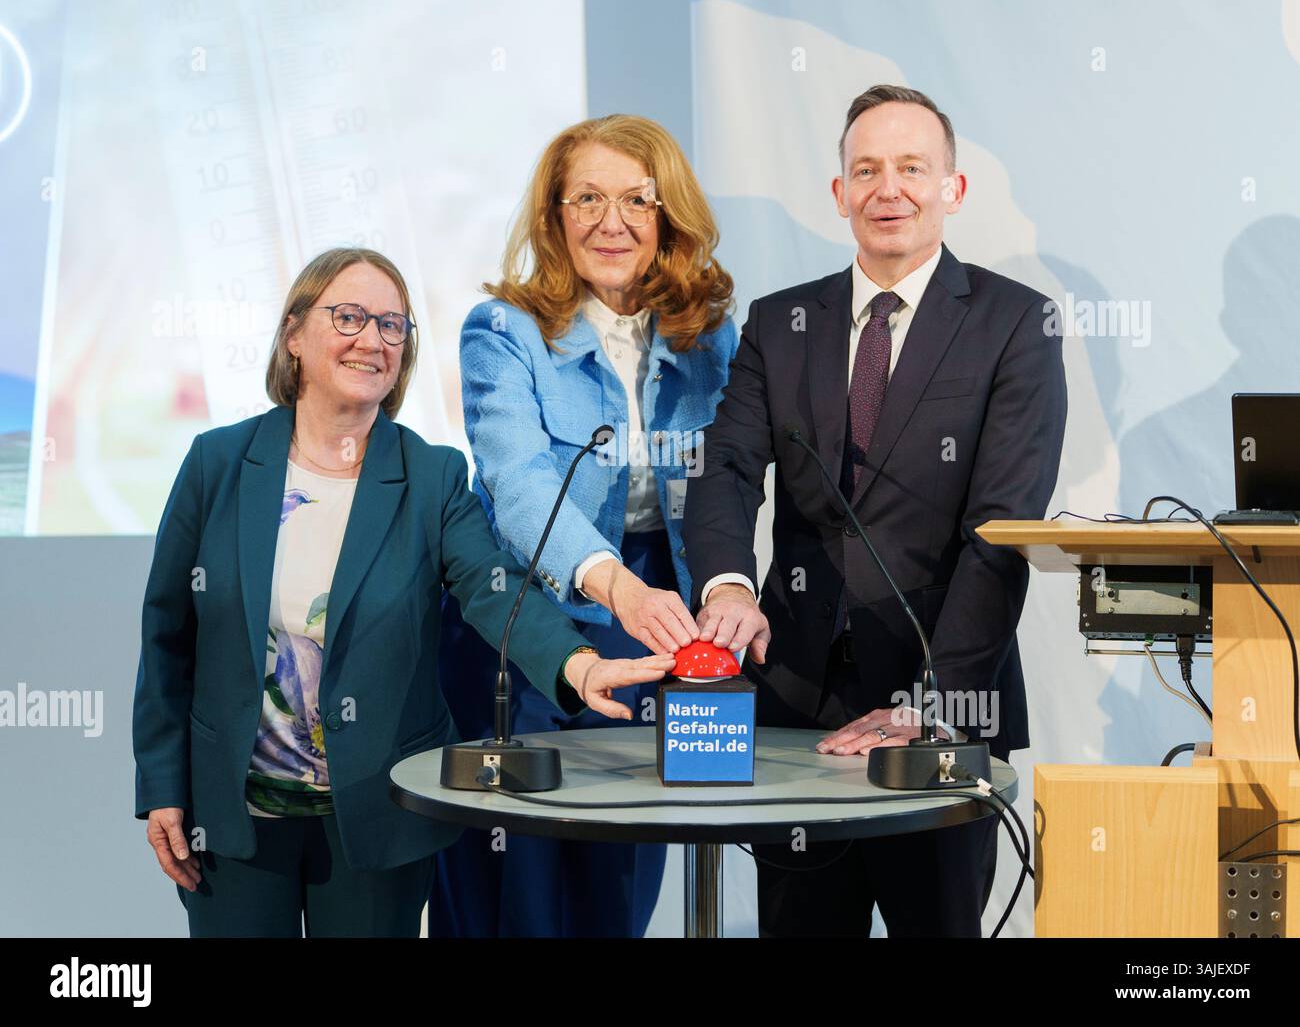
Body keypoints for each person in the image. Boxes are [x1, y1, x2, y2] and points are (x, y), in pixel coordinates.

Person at [132, 247, 674, 937]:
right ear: (294, 334)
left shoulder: (432, 474)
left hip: (376, 818)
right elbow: (166, 637)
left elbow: (491, 587)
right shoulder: (218, 463)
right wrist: (161, 787)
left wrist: (580, 664)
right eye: (350, 316)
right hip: (234, 820)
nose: (373, 339)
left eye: (393, 325)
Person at [683, 85, 1067, 937]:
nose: (887, 189)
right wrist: (727, 588)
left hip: (940, 704)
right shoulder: (779, 322)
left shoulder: (1014, 322)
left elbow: (1001, 531)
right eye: (866, 170)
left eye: (911, 168)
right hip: (795, 703)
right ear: (840, 193)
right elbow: (726, 465)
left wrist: (929, 703)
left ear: (953, 190)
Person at [430, 114, 738, 937]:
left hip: (656, 627)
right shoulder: (504, 332)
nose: (613, 221)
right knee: (518, 898)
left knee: (621, 885)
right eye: (588, 199)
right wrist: (616, 586)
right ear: (554, 217)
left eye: (637, 199)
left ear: (668, 212)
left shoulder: (709, 337)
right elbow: (519, 486)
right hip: (525, 617)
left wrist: (721, 587)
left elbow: (726, 480)